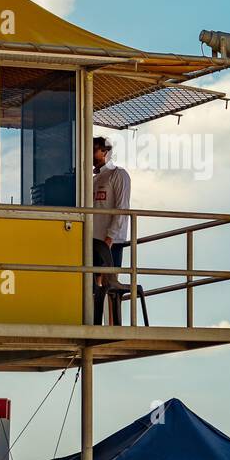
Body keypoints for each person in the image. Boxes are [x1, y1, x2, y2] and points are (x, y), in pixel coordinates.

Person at [92, 136, 131, 325]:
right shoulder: (92, 179)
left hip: (110, 242)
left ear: (105, 152)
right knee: (93, 284)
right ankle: (95, 322)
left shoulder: (118, 174)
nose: (91, 154)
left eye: (94, 150)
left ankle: (115, 325)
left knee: (111, 283)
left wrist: (110, 237)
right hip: (93, 241)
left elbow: (121, 208)